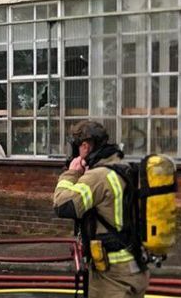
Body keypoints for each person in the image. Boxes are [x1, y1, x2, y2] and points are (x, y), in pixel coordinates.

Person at [53, 121, 150, 298]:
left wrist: (71, 173)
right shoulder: (123, 168)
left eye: (76, 147)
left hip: (112, 277)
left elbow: (62, 205)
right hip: (134, 266)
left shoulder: (97, 177)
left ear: (85, 146)